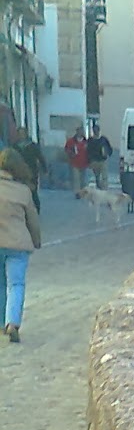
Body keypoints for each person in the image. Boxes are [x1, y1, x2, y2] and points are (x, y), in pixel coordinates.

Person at [0, 147, 42, 344]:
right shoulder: (23, 191)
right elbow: (32, 220)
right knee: (15, 284)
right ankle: (12, 323)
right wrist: (37, 241)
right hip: (17, 244)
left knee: (0, 284)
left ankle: (1, 323)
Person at [13, 126, 47, 212]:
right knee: (19, 190)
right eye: (19, 134)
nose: (21, 135)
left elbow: (40, 157)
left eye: (23, 133)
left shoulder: (32, 146)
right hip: (18, 172)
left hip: (31, 172)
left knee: (33, 191)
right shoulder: (15, 146)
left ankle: (36, 209)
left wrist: (45, 169)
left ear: (26, 134)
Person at [86, 121, 114, 189]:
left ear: (99, 130)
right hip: (94, 161)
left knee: (104, 176)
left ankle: (104, 189)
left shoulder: (103, 139)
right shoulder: (90, 140)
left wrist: (108, 154)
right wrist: (89, 161)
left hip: (102, 160)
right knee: (97, 177)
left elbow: (109, 147)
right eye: (94, 130)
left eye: (97, 130)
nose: (96, 132)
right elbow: (87, 151)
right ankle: (99, 187)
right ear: (93, 131)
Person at [65, 126, 89, 195]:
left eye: (82, 131)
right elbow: (66, 150)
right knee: (76, 179)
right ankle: (77, 193)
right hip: (74, 164)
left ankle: (83, 193)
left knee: (84, 180)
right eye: (80, 131)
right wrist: (71, 153)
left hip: (84, 164)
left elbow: (89, 152)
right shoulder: (71, 141)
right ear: (77, 132)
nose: (81, 133)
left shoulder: (86, 142)